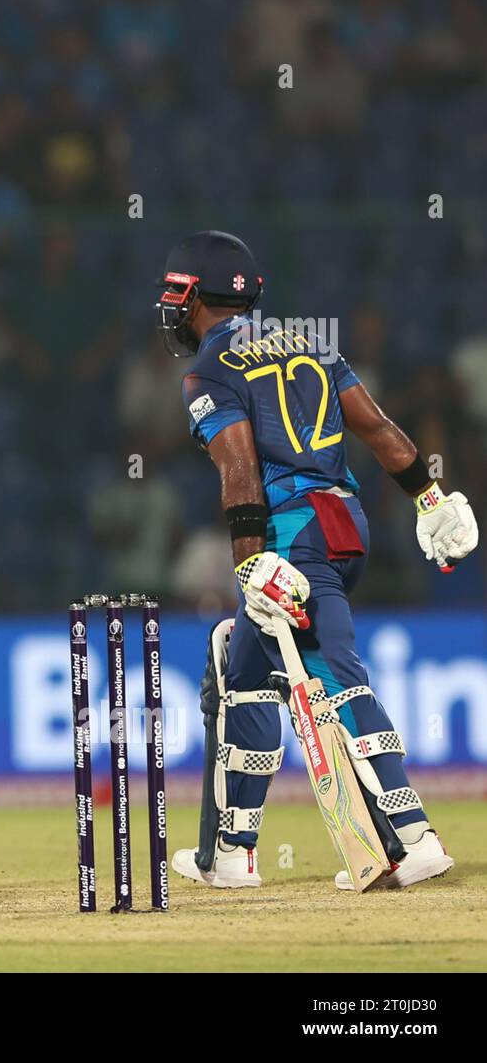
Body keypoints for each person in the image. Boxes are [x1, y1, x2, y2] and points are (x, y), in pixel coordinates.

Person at [156, 230, 478, 891]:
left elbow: (241, 472)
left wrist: (249, 564)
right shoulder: (313, 343)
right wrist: (431, 498)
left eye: (174, 291)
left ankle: (413, 835)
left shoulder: (209, 370)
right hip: (343, 525)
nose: (169, 304)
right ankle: (232, 852)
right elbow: (381, 431)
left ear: (193, 296)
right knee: (236, 664)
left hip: (289, 537)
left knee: (332, 668)